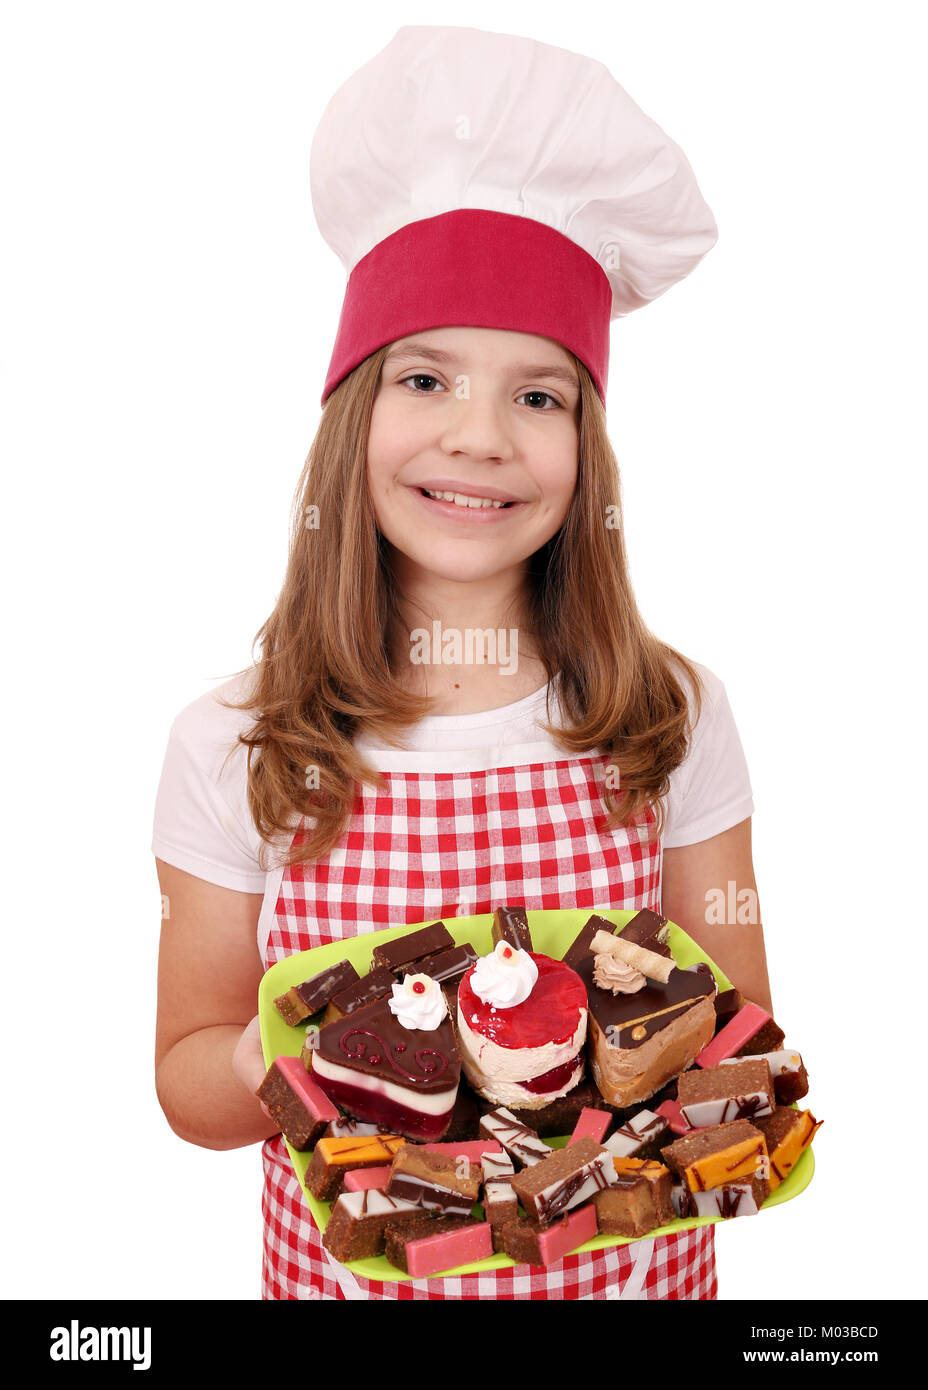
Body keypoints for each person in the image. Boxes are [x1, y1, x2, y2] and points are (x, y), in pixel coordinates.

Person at [153, 26, 772, 1300]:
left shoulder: (671, 715)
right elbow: (187, 1080)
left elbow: (733, 1023)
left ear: (587, 451)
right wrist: (318, 1050)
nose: (479, 437)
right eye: (427, 377)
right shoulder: (236, 739)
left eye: (539, 395)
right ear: (352, 417)